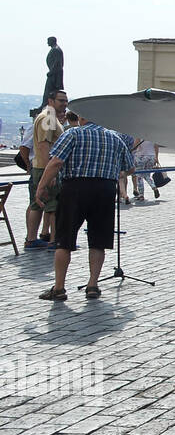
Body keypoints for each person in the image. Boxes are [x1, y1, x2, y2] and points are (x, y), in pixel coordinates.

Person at [32, 117, 134, 301]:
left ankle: (59, 288)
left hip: (75, 188)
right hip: (105, 190)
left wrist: (41, 186)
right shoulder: (115, 138)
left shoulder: (73, 133)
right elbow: (130, 167)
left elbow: (55, 162)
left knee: (65, 240)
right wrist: (113, 170)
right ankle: (93, 285)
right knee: (98, 240)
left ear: (82, 117)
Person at [25, 90, 67, 250]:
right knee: (54, 205)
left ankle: (31, 239)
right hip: (45, 167)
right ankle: (54, 240)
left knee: (37, 204)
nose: (64, 104)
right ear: (51, 101)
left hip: (40, 167)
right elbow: (44, 145)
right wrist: (50, 172)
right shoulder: (48, 117)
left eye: (66, 101)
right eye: (61, 100)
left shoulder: (47, 116)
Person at [42, 37, 64, 106]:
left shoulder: (56, 49)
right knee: (50, 92)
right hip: (54, 73)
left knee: (49, 91)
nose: (47, 43)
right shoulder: (55, 49)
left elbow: (57, 62)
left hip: (55, 74)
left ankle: (46, 105)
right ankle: (46, 104)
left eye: (48, 41)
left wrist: (51, 72)